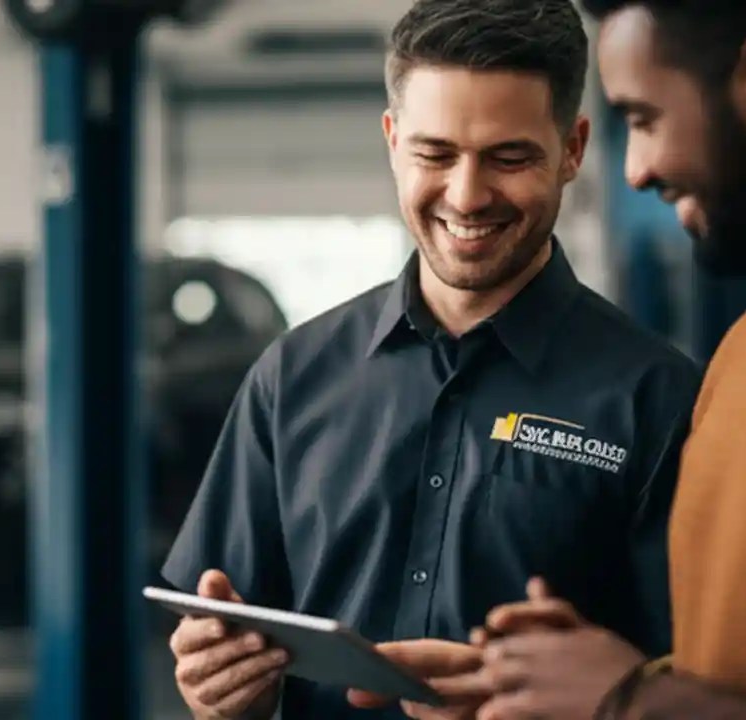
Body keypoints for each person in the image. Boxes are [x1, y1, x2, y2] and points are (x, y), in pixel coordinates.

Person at [159, 1, 702, 718]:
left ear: (572, 149)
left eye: (509, 157)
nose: (467, 195)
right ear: (392, 140)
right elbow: (220, 645)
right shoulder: (291, 379)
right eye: (435, 154)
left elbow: (696, 680)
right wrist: (217, 691)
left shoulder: (658, 400)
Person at [426, 1, 746, 718]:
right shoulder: (741, 355)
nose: (636, 171)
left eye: (643, 118)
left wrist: (634, 699)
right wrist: (552, 680)